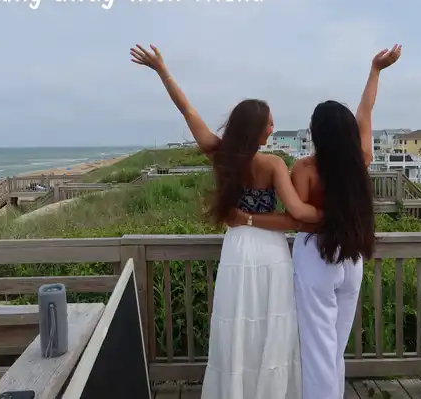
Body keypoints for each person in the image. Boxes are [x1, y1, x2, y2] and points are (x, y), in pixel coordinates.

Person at [130, 44, 321, 399]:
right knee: (271, 325)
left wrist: (162, 71)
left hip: (238, 248)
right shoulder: (273, 164)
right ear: (257, 129)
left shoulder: (222, 157)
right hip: (271, 252)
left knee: (237, 325)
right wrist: (332, 215)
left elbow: (187, 110)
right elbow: (296, 216)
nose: (273, 128)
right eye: (269, 123)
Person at [228, 45, 402, 399]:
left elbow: (296, 218)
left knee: (318, 352)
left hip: (317, 258)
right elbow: (366, 111)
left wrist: (247, 217)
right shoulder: (360, 160)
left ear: (317, 133)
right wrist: (375, 71)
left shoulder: (305, 169)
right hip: (351, 256)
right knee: (335, 350)